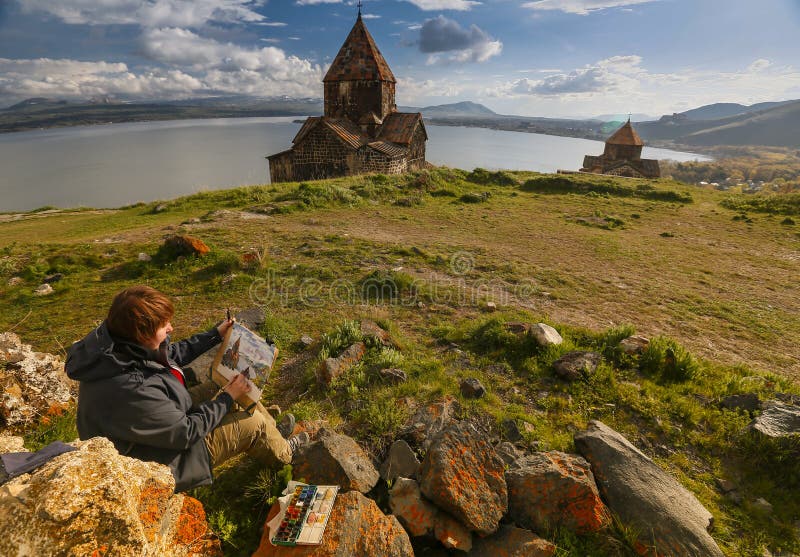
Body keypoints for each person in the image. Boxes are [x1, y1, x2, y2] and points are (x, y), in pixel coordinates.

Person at [65, 285, 308, 492]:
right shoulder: (131, 388)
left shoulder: (118, 347)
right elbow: (185, 433)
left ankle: (273, 435)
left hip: (160, 423)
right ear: (141, 333)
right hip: (161, 460)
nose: (170, 328)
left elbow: (169, 355)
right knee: (251, 423)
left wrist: (214, 335)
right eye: (164, 325)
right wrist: (226, 399)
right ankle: (288, 456)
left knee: (226, 386)